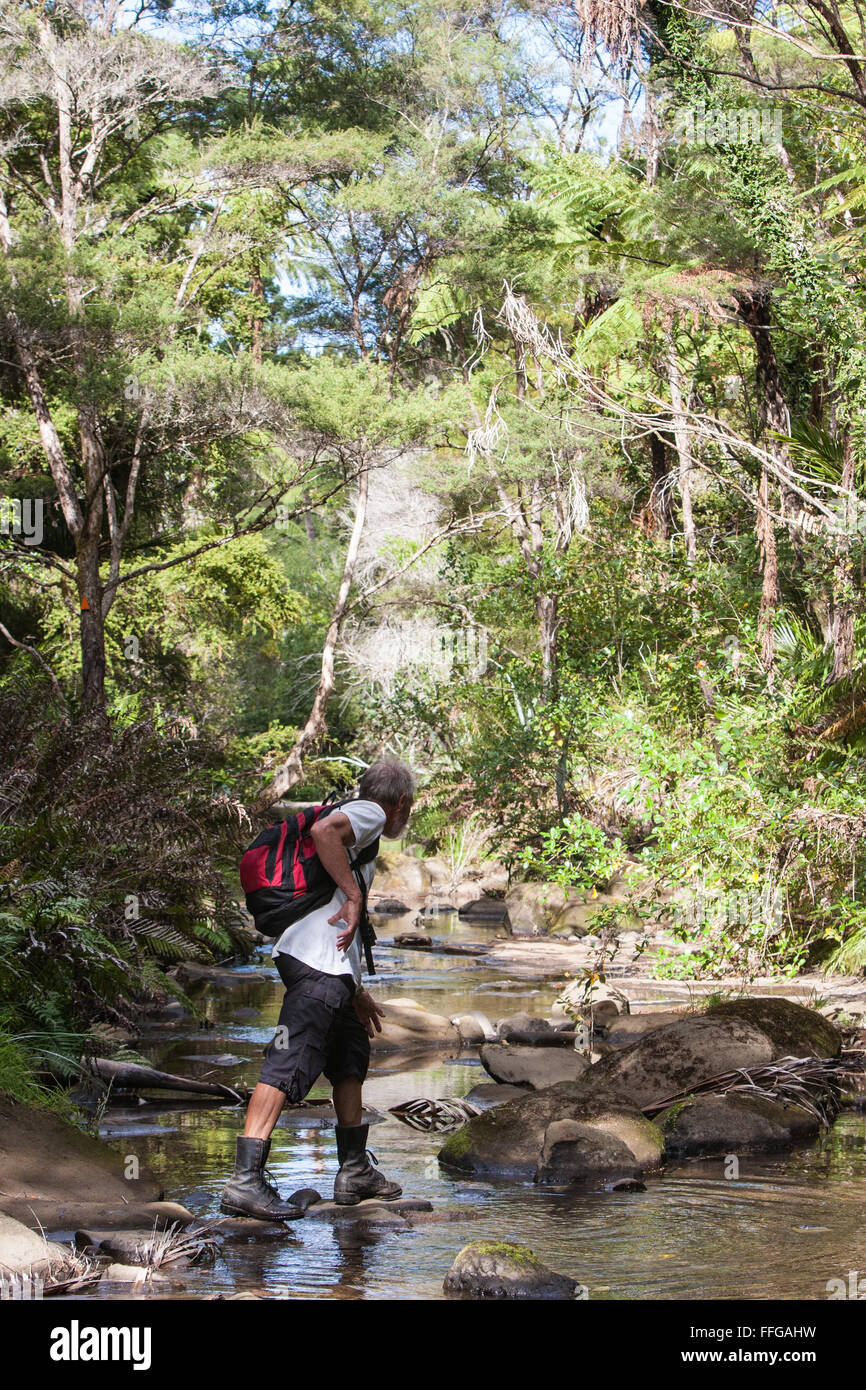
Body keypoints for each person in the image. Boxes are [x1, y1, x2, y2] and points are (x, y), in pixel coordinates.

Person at [220, 758, 415, 1221]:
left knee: (349, 1058)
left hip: (328, 968)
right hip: (314, 964)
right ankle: (245, 1181)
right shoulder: (369, 813)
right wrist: (353, 893)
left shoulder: (359, 823)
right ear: (401, 803)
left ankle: (354, 1171)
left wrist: (355, 988)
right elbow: (324, 833)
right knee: (288, 1060)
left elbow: (336, 916)